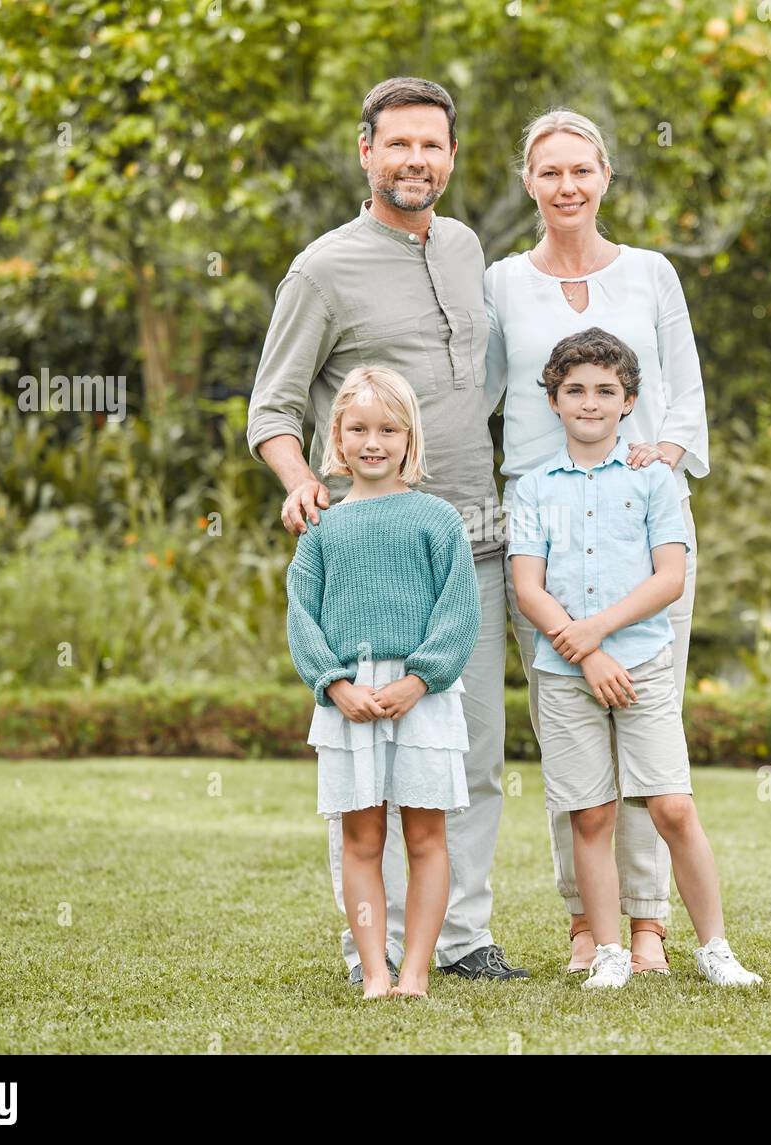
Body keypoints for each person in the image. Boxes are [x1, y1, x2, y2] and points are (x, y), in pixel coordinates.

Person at [248, 77, 528, 984]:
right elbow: (272, 408)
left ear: (452, 156)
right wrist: (299, 482)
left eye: (432, 145)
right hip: (370, 559)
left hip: (472, 543)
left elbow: (477, 381)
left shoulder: (466, 247)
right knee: (367, 769)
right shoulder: (322, 269)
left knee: (469, 752)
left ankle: (461, 939)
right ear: (365, 151)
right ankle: (367, 943)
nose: (416, 160)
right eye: (398, 144)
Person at [485, 108, 710, 975]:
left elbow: (685, 390)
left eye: (583, 170)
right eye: (551, 172)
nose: (567, 186)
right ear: (529, 182)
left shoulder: (651, 273)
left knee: (649, 726)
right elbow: (482, 392)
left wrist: (670, 451)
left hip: (640, 534)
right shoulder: (504, 282)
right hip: (543, 538)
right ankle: (588, 922)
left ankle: (649, 921)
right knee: (568, 726)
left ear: (606, 176)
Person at [507, 327, 762, 989]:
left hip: (643, 664)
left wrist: (597, 632)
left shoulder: (654, 481)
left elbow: (668, 577)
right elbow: (528, 588)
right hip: (567, 675)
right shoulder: (533, 489)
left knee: (672, 806)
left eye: (605, 391)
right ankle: (609, 950)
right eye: (575, 390)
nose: (590, 403)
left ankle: (715, 948)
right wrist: (584, 653)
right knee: (590, 812)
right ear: (554, 400)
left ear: (628, 401)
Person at [287, 366, 480, 998]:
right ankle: (375, 970)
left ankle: (417, 972)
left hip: (421, 696)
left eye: (388, 429)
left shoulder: (437, 519)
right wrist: (333, 684)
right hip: (348, 698)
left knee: (426, 836)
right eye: (358, 428)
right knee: (361, 839)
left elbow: (459, 610)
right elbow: (302, 615)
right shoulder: (321, 528)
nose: (374, 442)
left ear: (409, 438)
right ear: (336, 439)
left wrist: (421, 679)